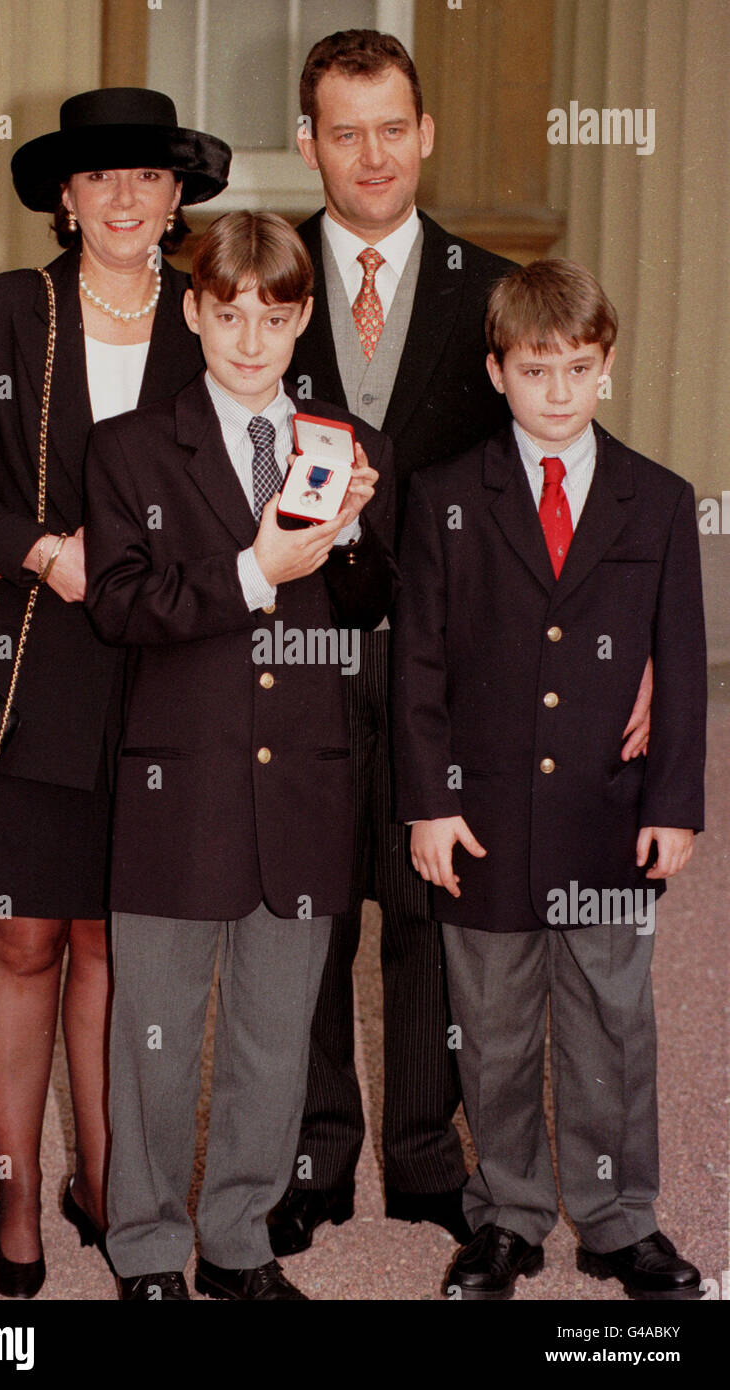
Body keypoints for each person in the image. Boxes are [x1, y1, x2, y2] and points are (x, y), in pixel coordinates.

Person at [270, 27, 654, 1257]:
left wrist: (632, 643)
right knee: (310, 907)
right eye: (345, 130)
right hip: (300, 648)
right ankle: (314, 1149)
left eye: (394, 127)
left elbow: (573, 478)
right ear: (308, 143)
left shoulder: (492, 289)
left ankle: (432, 1155)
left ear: (425, 133)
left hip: (465, 663)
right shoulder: (262, 286)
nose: (372, 155)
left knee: (439, 898)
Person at [0, 87, 230, 1298]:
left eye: (149, 178)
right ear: (62, 197)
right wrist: (41, 548)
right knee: (23, 930)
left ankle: (103, 1180)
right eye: (101, 179)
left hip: (166, 671)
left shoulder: (213, 318)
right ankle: (11, 1187)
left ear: (178, 196)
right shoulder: (2, 311)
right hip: (33, 658)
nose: (128, 199)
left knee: (114, 935)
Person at [83, 211, 396, 1300]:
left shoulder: (346, 446)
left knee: (273, 1042)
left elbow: (369, 608)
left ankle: (241, 1239)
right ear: (194, 314)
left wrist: (348, 533)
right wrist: (255, 570)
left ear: (304, 318)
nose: (250, 339)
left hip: (302, 785)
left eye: (273, 316)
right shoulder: (127, 448)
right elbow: (122, 605)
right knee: (156, 1042)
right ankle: (147, 1246)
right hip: (181, 782)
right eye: (227, 316)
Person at [391, 258, 707, 1300]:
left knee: (614, 1024)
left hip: (606, 821)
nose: (558, 391)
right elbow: (420, 666)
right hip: (481, 820)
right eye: (536, 371)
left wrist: (672, 806)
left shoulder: (655, 500)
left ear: (606, 367)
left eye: (577, 368)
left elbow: (683, 661)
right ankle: (510, 1216)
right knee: (492, 1029)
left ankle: (621, 1222)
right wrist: (428, 803)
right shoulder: (445, 499)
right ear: (497, 372)